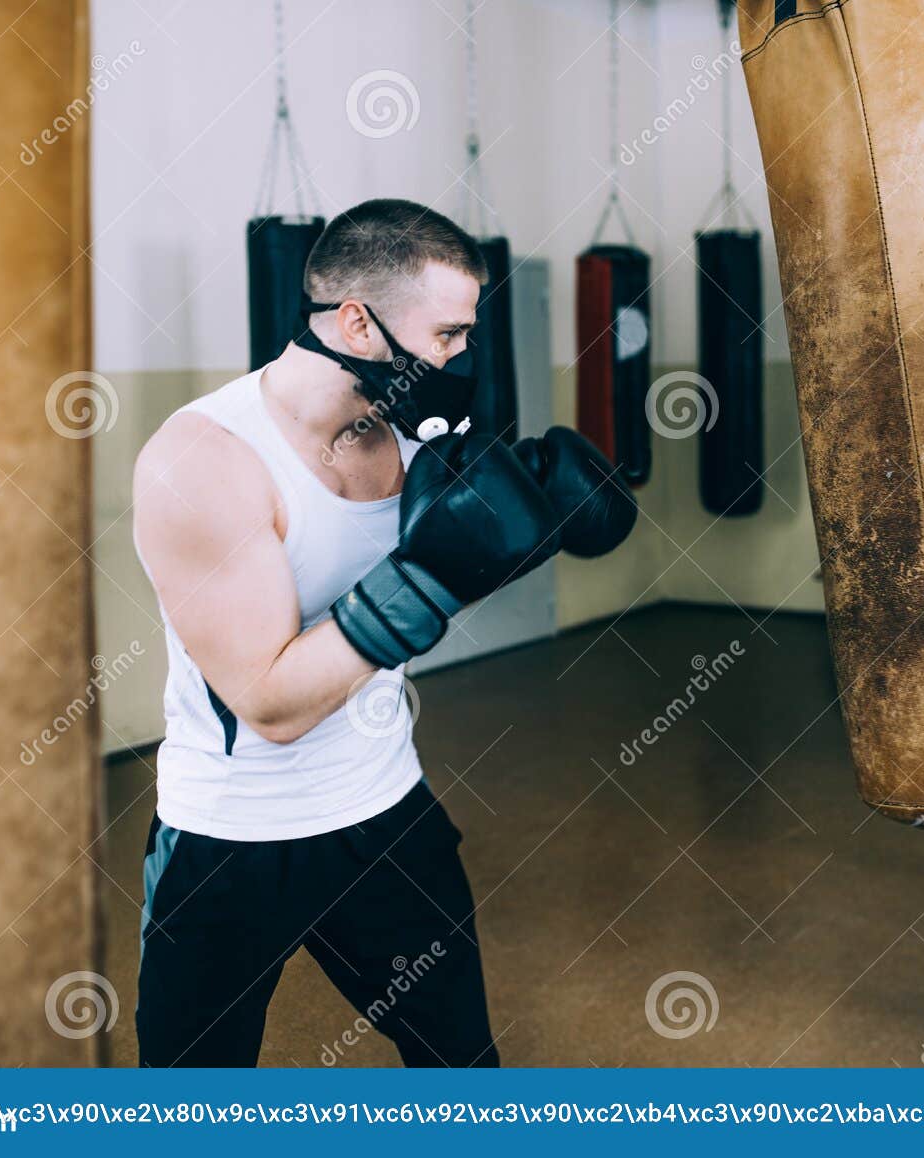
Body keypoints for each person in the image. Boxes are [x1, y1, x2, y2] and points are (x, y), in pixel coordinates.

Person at [130, 198, 634, 1067]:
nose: (463, 358)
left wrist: (521, 530)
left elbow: (421, 592)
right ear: (357, 322)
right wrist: (434, 577)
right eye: (447, 335)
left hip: (385, 813)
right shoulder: (203, 462)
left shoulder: (405, 432)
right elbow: (272, 703)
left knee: (460, 1070)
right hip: (232, 841)